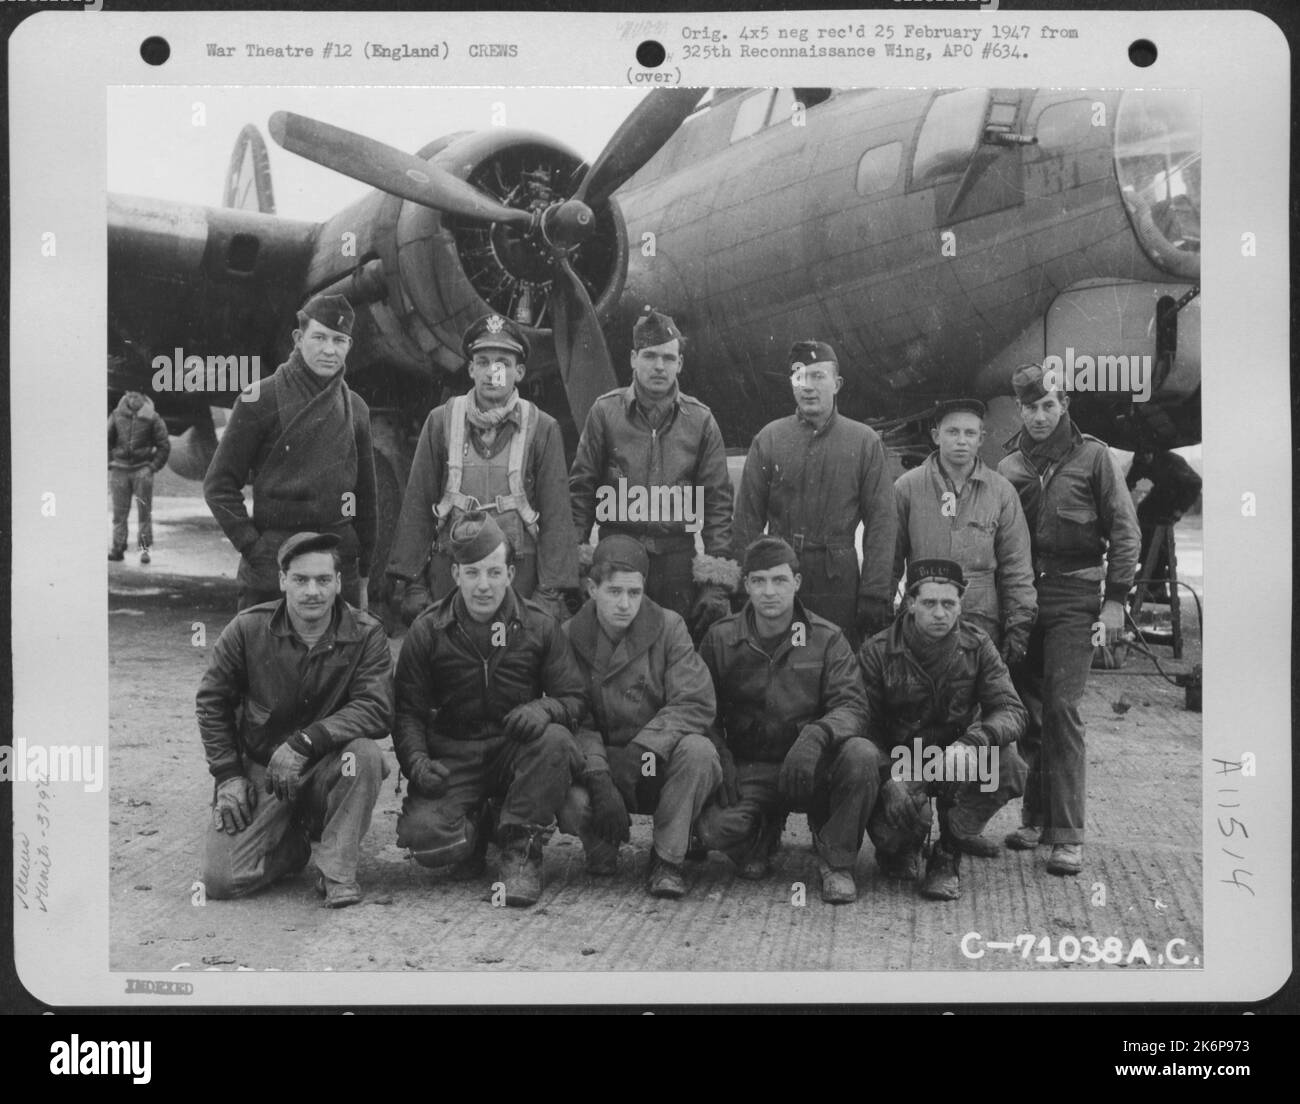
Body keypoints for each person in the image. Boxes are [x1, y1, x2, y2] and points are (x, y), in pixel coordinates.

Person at [392, 512, 587, 907]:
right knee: (426, 841)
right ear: (455, 573)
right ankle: (479, 825)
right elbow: (408, 712)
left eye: (495, 572)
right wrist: (416, 763)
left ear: (511, 574)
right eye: (473, 572)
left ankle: (520, 847)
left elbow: (575, 699)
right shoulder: (427, 630)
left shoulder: (539, 625)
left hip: (515, 751)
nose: (484, 585)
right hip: (455, 755)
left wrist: (544, 708)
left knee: (556, 741)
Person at [196, 532, 393, 908]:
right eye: (300, 580)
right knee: (221, 880)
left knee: (365, 755)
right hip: (262, 768)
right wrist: (228, 776)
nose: (312, 591)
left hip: (328, 768)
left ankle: (336, 871)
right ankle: (294, 845)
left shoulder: (367, 633)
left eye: (322, 580)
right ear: (282, 580)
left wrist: (307, 742)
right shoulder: (247, 628)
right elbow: (211, 701)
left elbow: (377, 706)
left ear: (338, 582)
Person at [997, 365, 1141, 875]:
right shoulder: (1009, 466)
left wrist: (1115, 601)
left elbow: (1125, 530)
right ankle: (1035, 818)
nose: (1040, 416)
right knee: (1030, 712)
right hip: (1022, 598)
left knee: (1061, 709)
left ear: (1065, 407)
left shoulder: (1094, 457)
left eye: (1049, 406)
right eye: (1031, 408)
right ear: (1020, 410)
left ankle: (1067, 835)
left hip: (1074, 597)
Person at [696, 536, 877, 904]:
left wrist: (817, 735)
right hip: (753, 766)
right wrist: (720, 755)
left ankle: (836, 860)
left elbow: (853, 707)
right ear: (745, 585)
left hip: (812, 764)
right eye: (759, 581)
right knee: (716, 831)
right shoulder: (721, 638)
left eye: (779, 581)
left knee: (862, 756)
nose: (769, 592)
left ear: (797, 582)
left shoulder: (827, 638)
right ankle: (762, 830)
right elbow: (699, 708)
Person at [387, 314, 577, 625]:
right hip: (453, 569)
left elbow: (556, 515)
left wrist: (550, 591)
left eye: (503, 362)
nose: (493, 372)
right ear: (471, 368)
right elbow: (418, 503)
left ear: (519, 371)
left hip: (519, 573)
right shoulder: (440, 421)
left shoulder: (542, 428)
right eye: (484, 361)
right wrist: (414, 582)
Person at [557, 535, 720, 898]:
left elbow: (694, 701)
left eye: (634, 593)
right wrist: (599, 778)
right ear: (591, 589)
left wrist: (644, 747)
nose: (625, 604)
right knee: (566, 788)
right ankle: (600, 843)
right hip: (602, 765)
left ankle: (667, 858)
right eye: (614, 591)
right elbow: (572, 716)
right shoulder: (568, 636)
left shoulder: (670, 627)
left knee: (699, 752)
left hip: (652, 762)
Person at [859, 559, 1027, 900]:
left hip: (956, 757)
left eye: (948, 604)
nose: (939, 613)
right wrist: (888, 777)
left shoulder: (977, 646)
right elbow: (861, 723)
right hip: (900, 760)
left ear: (960, 604)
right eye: (929, 603)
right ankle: (905, 844)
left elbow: (1011, 710)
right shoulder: (878, 651)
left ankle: (948, 851)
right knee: (894, 841)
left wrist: (975, 741)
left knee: (1007, 764)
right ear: (909, 603)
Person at [569, 306, 739, 639]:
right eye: (649, 356)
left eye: (668, 357)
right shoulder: (604, 413)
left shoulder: (701, 420)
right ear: (633, 358)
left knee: (673, 650)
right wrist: (576, 566)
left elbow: (718, 504)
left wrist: (714, 582)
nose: (659, 366)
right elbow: (582, 491)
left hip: (676, 561)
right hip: (617, 556)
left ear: (680, 363)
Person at [204, 293, 377, 610]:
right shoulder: (260, 399)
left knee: (341, 658)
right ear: (298, 338)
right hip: (275, 563)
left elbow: (366, 500)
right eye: (319, 337)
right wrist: (254, 547)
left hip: (339, 564)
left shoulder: (356, 408)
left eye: (339, 340)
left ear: (349, 345)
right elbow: (218, 485)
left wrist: (362, 570)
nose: (329, 349)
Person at [732, 340, 896, 648]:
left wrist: (875, 593)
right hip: (779, 573)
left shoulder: (864, 442)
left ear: (837, 383)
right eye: (799, 376)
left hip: (837, 580)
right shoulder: (769, 439)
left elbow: (882, 523)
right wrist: (742, 587)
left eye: (818, 376)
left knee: (835, 661)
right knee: (779, 659)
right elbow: (746, 520)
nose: (808, 386)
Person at [892, 398, 1036, 668]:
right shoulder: (907, 488)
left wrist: (1019, 624)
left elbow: (1016, 566)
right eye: (952, 432)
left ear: (981, 438)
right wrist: (879, 610)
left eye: (970, 433)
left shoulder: (1001, 492)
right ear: (936, 436)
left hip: (980, 626)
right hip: (921, 625)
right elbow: (890, 560)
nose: (961, 441)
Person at [1125, 447, 1202, 603]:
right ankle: (1150, 567)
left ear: (1152, 452)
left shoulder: (1172, 462)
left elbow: (1196, 483)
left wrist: (1180, 510)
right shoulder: (1140, 459)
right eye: (1141, 456)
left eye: (1146, 454)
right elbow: (1129, 481)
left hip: (1178, 494)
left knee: (1158, 534)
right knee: (1143, 511)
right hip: (1161, 491)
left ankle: (1156, 577)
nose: (1144, 458)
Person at [108, 389, 170, 563]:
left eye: (136, 396)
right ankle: (117, 548)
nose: (132, 399)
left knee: (144, 513)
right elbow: (106, 439)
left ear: (143, 397)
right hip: (119, 469)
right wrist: (109, 462)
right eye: (129, 395)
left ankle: (144, 550)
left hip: (142, 470)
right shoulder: (116, 415)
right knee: (119, 514)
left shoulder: (152, 417)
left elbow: (163, 445)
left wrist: (152, 467)